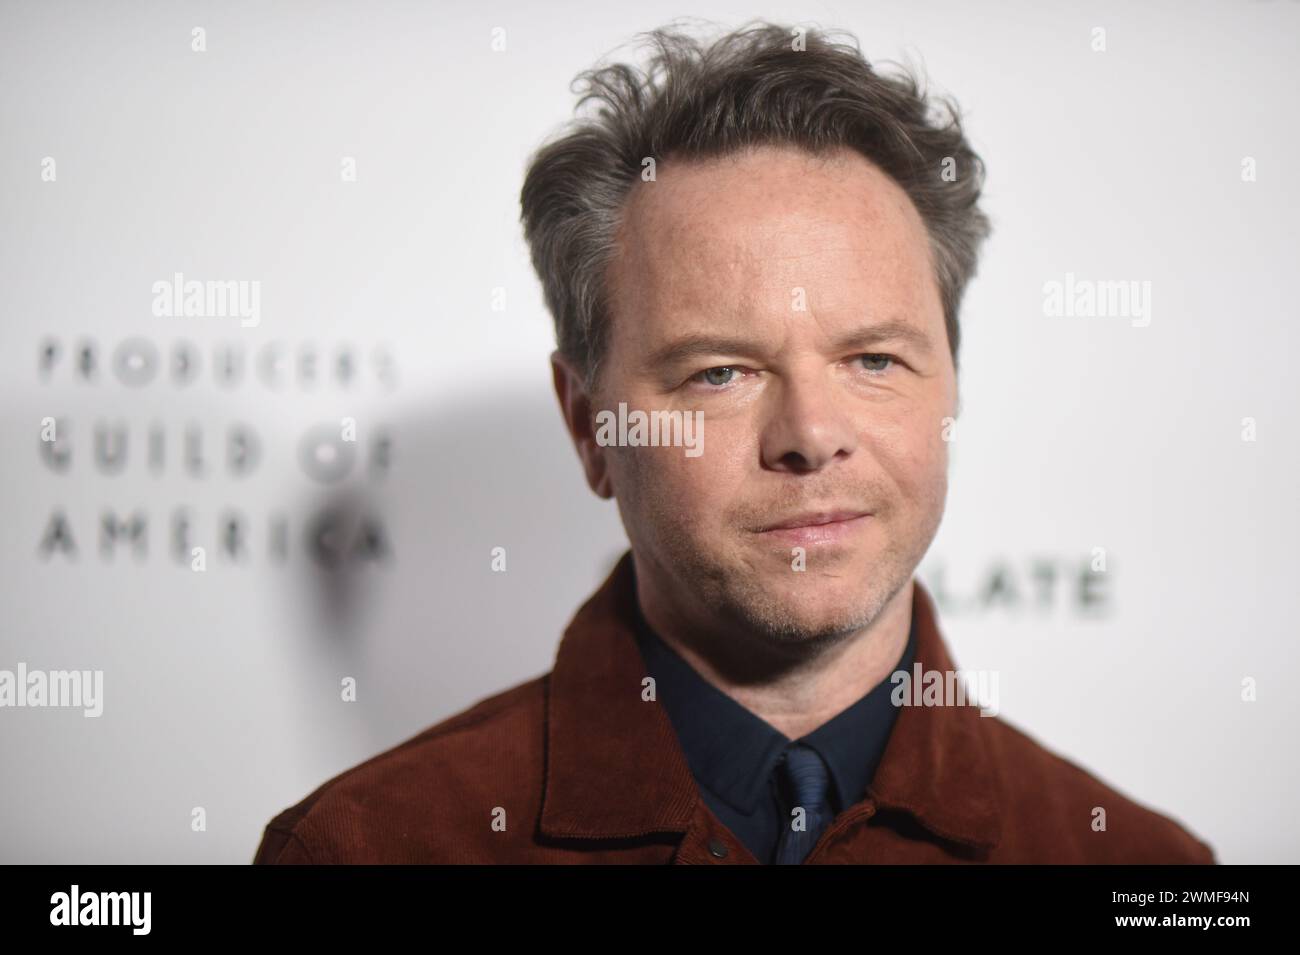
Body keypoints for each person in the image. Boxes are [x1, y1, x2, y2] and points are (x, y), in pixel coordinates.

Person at [254, 21, 1215, 864]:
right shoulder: (368, 847)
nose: (810, 436)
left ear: (950, 385)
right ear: (590, 425)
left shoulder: (1143, 866)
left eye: (874, 359)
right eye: (721, 372)